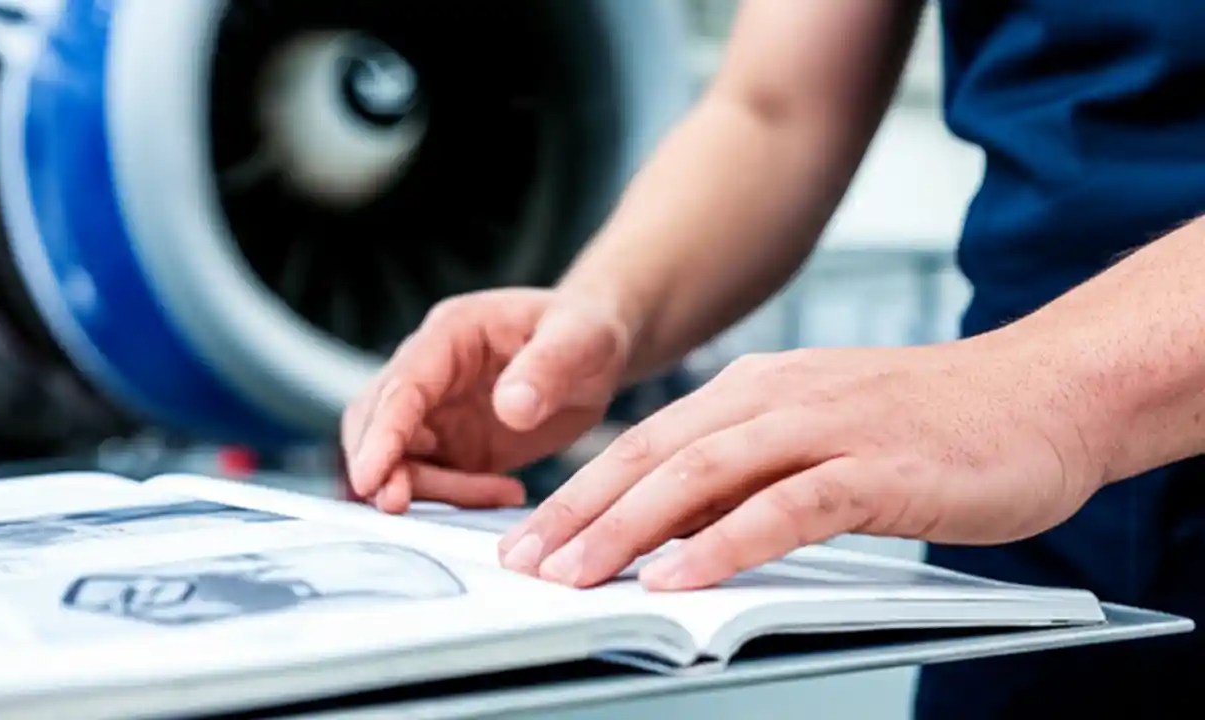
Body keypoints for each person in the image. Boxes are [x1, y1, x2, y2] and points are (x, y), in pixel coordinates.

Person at [341, 1, 1205, 716]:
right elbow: (777, 105)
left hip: (1024, 418)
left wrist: (1049, 386)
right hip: (1013, 519)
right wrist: (603, 311)